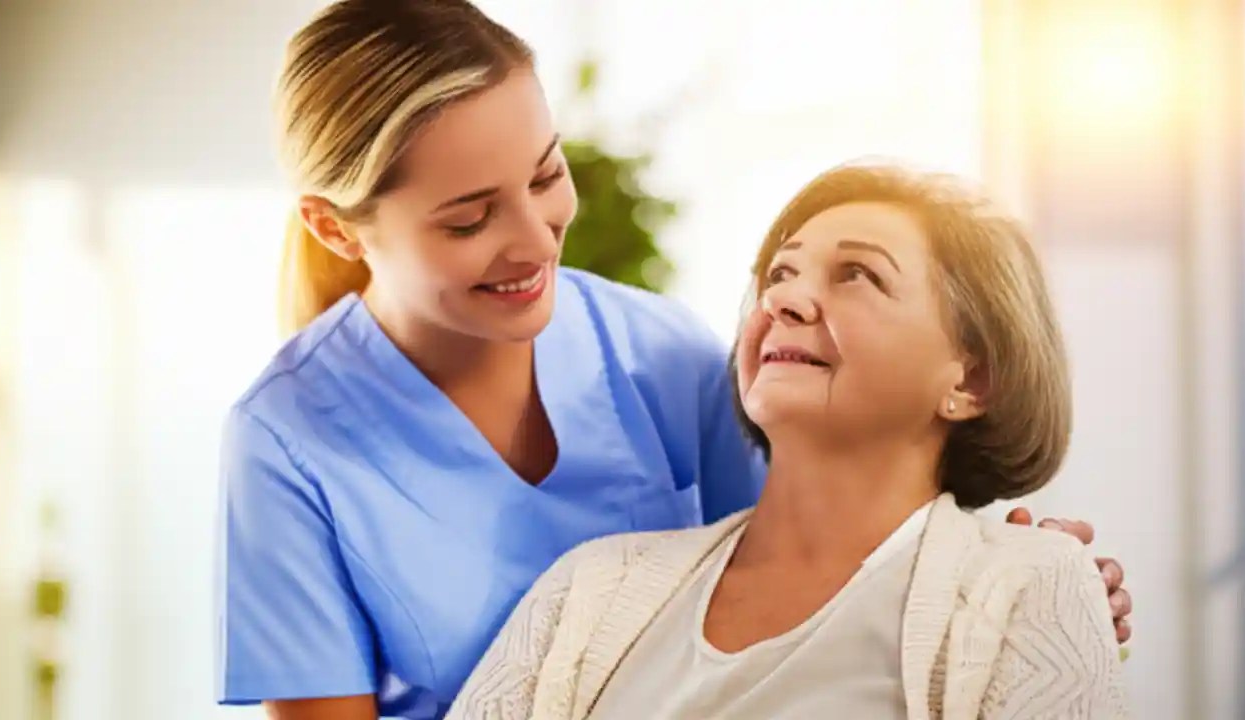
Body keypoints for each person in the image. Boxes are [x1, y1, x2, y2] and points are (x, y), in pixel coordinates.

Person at [215, 2, 1133, 719]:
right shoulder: (289, 441)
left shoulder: (658, 355)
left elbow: (832, 539)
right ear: (335, 226)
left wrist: (1014, 582)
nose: (539, 241)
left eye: (545, 175)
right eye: (468, 218)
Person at [447, 165, 1130, 719]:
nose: (783, 302)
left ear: (971, 378)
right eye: (779, 275)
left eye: (857, 275)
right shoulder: (590, 586)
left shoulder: (1026, 582)